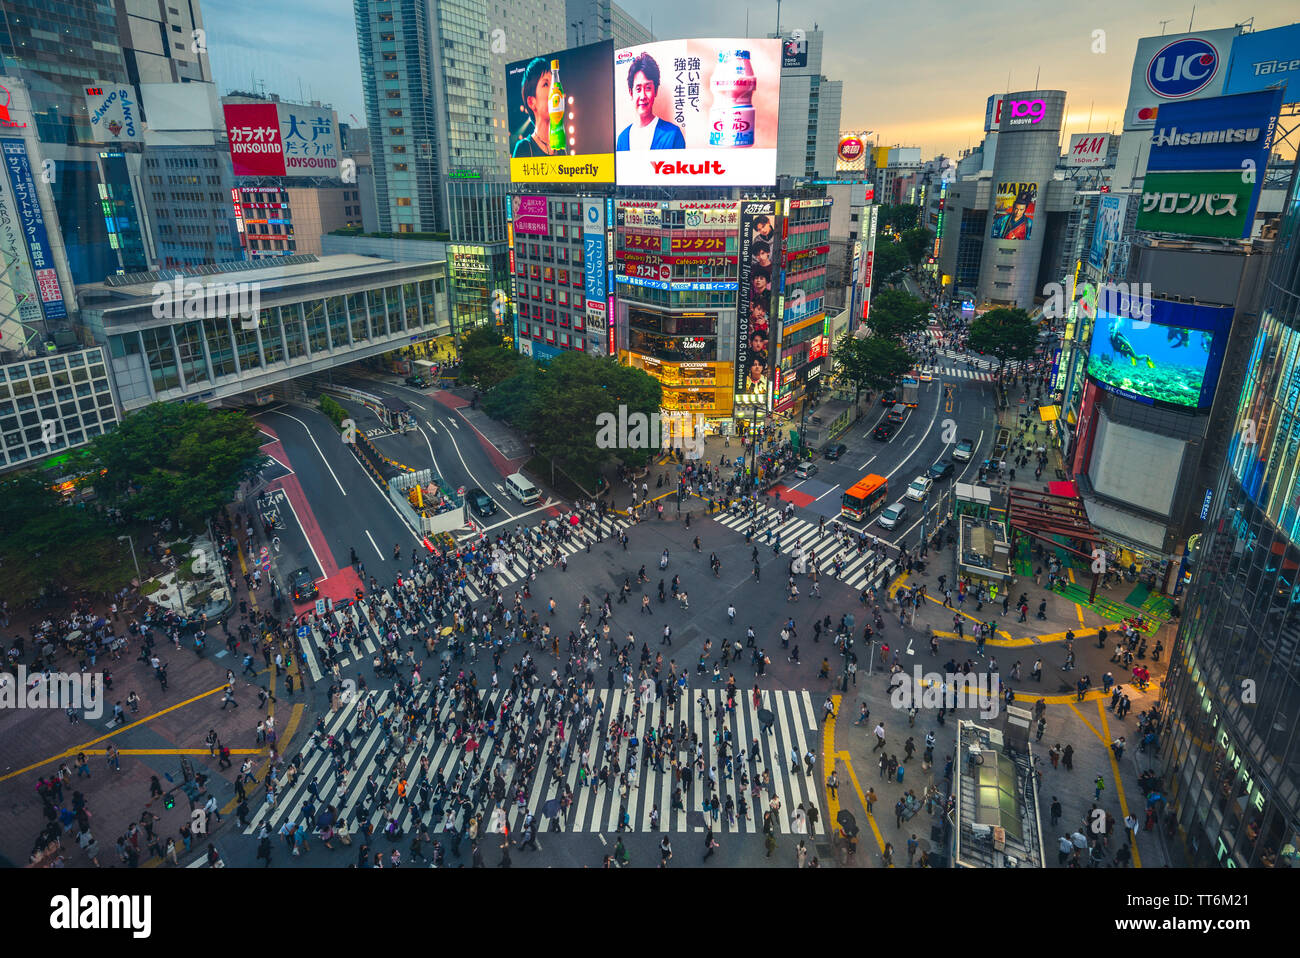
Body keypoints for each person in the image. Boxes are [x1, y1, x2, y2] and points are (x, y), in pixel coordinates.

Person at [617, 52, 686, 151]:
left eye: (648, 88)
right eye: (638, 89)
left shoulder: (672, 134)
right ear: (630, 92)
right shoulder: (622, 139)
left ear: (656, 91)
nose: (642, 96)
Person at [511, 57, 556, 158]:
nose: (554, 90)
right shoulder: (523, 148)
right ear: (531, 102)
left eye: (554, 84)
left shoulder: (561, 150)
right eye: (546, 84)